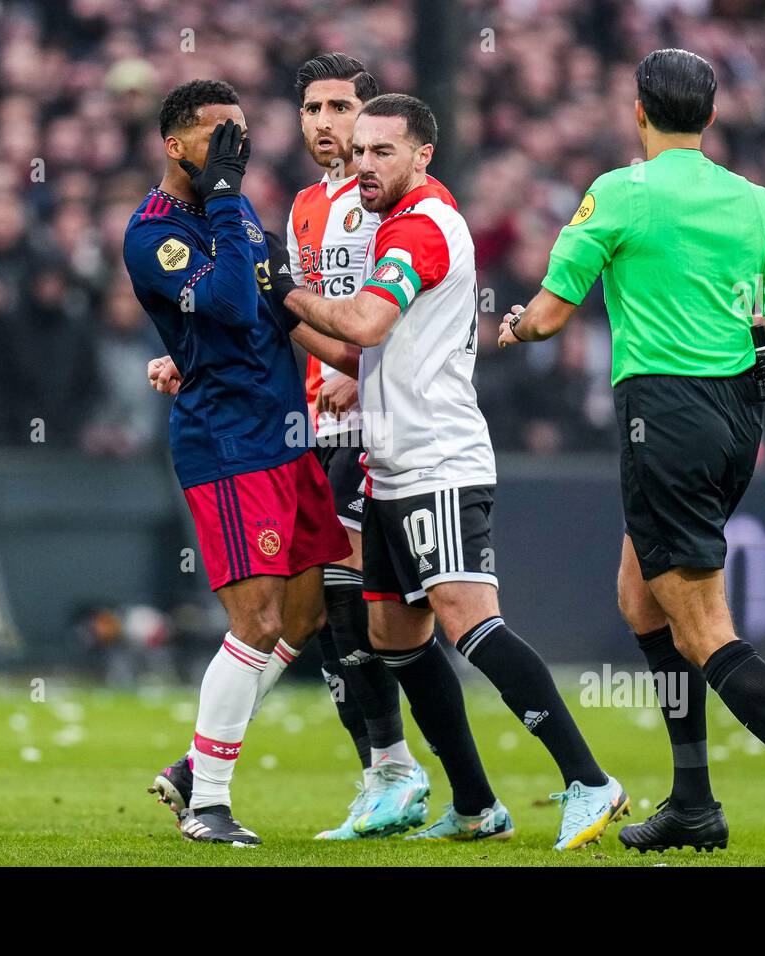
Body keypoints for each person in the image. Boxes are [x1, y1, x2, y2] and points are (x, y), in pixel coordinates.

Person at [497, 48, 765, 860]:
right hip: (738, 417)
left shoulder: (620, 193)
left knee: (704, 630)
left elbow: (552, 316)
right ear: (710, 118)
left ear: (638, 111)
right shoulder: (758, 204)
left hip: (662, 415)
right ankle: (695, 803)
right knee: (642, 600)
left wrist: (513, 326)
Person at [267, 93, 629, 850]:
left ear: (422, 156)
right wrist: (270, 305)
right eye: (358, 151)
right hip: (391, 463)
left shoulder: (424, 225)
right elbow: (349, 352)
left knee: (469, 621)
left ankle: (589, 780)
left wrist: (284, 289)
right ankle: (474, 805)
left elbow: (364, 323)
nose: (363, 163)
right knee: (395, 636)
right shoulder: (395, 226)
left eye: (381, 152)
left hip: (439, 459)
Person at [123, 80, 351, 845]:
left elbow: (263, 310)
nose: (235, 153)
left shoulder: (238, 211)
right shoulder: (152, 231)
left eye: (242, 137)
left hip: (285, 435)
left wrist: (355, 357)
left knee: (305, 613)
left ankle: (195, 762)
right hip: (227, 443)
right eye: (220, 138)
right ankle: (209, 804)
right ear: (176, 143)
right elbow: (221, 302)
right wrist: (224, 196)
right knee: (253, 622)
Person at [285, 53, 429, 840]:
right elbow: (300, 316)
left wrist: (363, 366)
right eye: (311, 109)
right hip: (318, 425)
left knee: (377, 610)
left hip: (380, 427)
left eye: (340, 107)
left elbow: (411, 301)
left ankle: (405, 771)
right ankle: (386, 773)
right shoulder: (305, 207)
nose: (325, 123)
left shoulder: (388, 199)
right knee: (333, 615)